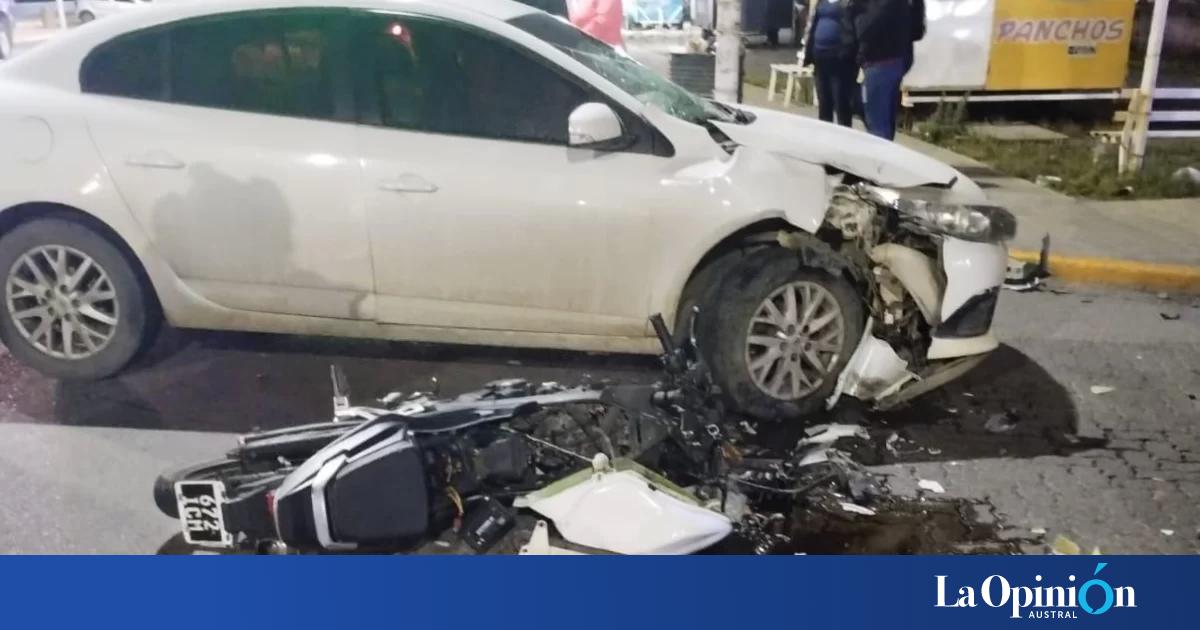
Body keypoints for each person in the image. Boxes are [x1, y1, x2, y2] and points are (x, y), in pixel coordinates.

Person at [842, 0, 910, 140]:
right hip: (893, 61)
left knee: (876, 121)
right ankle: (887, 154)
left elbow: (865, 29)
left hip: (878, 64)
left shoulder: (878, 5)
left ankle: (880, 157)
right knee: (885, 119)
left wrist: (853, 11)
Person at [802, 0, 857, 127]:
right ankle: (825, 137)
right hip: (820, 57)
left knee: (841, 102)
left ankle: (844, 137)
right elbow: (812, 22)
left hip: (839, 59)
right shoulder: (821, 2)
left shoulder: (849, 3)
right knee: (824, 101)